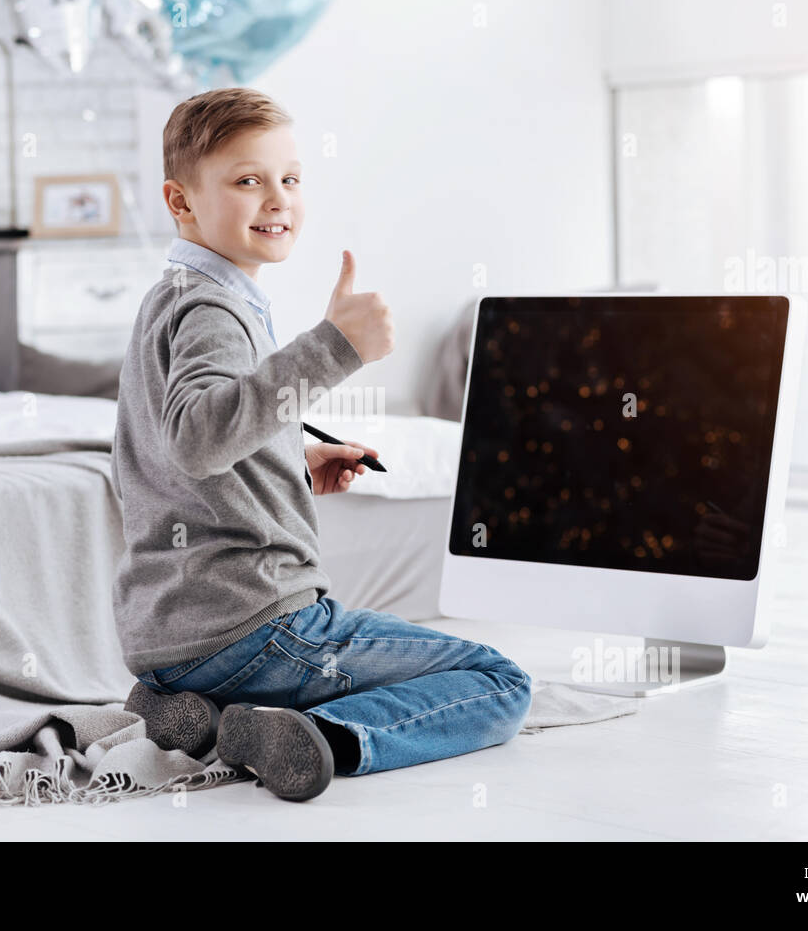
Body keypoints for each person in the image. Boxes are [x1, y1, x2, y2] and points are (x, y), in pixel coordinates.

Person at [113, 87, 532, 801]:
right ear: (180, 202)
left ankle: (198, 718)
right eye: (248, 180)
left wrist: (290, 463)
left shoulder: (172, 296)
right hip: (257, 628)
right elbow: (195, 440)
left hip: (172, 643)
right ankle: (324, 736)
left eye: (290, 179)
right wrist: (335, 347)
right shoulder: (214, 308)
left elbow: (175, 454)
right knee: (500, 680)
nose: (277, 198)